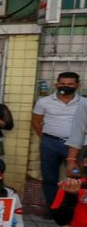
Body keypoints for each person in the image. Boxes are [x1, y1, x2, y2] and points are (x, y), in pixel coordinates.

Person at [32, 72, 82, 208]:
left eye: (70, 84)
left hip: (76, 146)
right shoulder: (43, 102)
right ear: (56, 85)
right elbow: (36, 122)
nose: (66, 86)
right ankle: (53, 208)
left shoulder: (84, 103)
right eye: (63, 83)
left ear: (78, 85)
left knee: (77, 177)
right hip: (50, 144)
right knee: (49, 178)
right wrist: (45, 139)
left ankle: (75, 209)